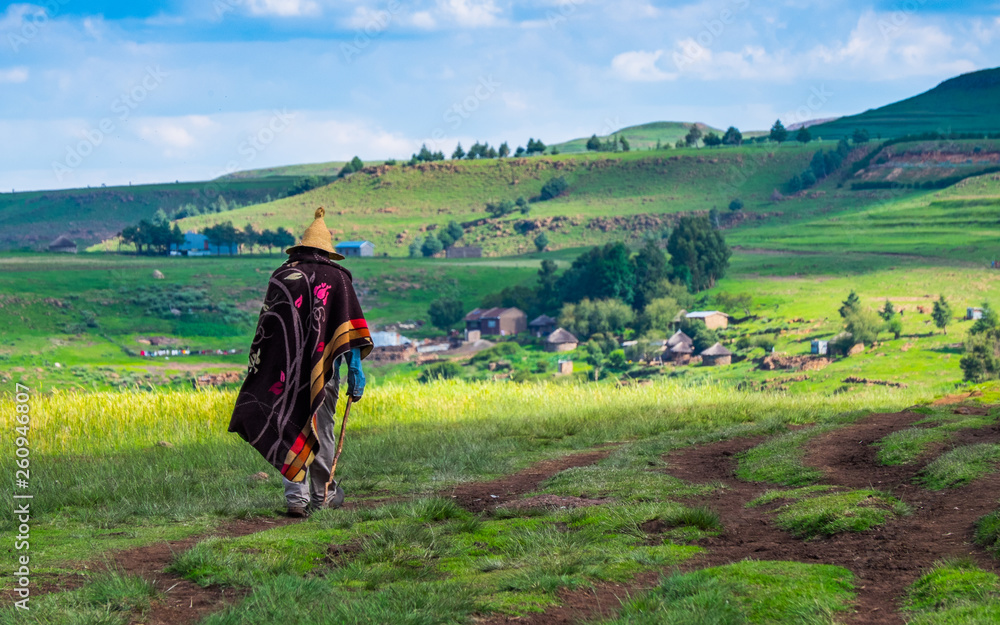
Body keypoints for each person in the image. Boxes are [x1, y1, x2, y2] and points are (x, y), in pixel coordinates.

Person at [229, 207, 373, 518]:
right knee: (321, 428)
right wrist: (355, 370)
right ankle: (322, 497)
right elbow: (347, 330)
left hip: (283, 373)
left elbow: (268, 329)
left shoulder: (282, 276)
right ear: (326, 252)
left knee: (288, 425)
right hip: (323, 373)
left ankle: (296, 499)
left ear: (301, 248)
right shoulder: (338, 278)